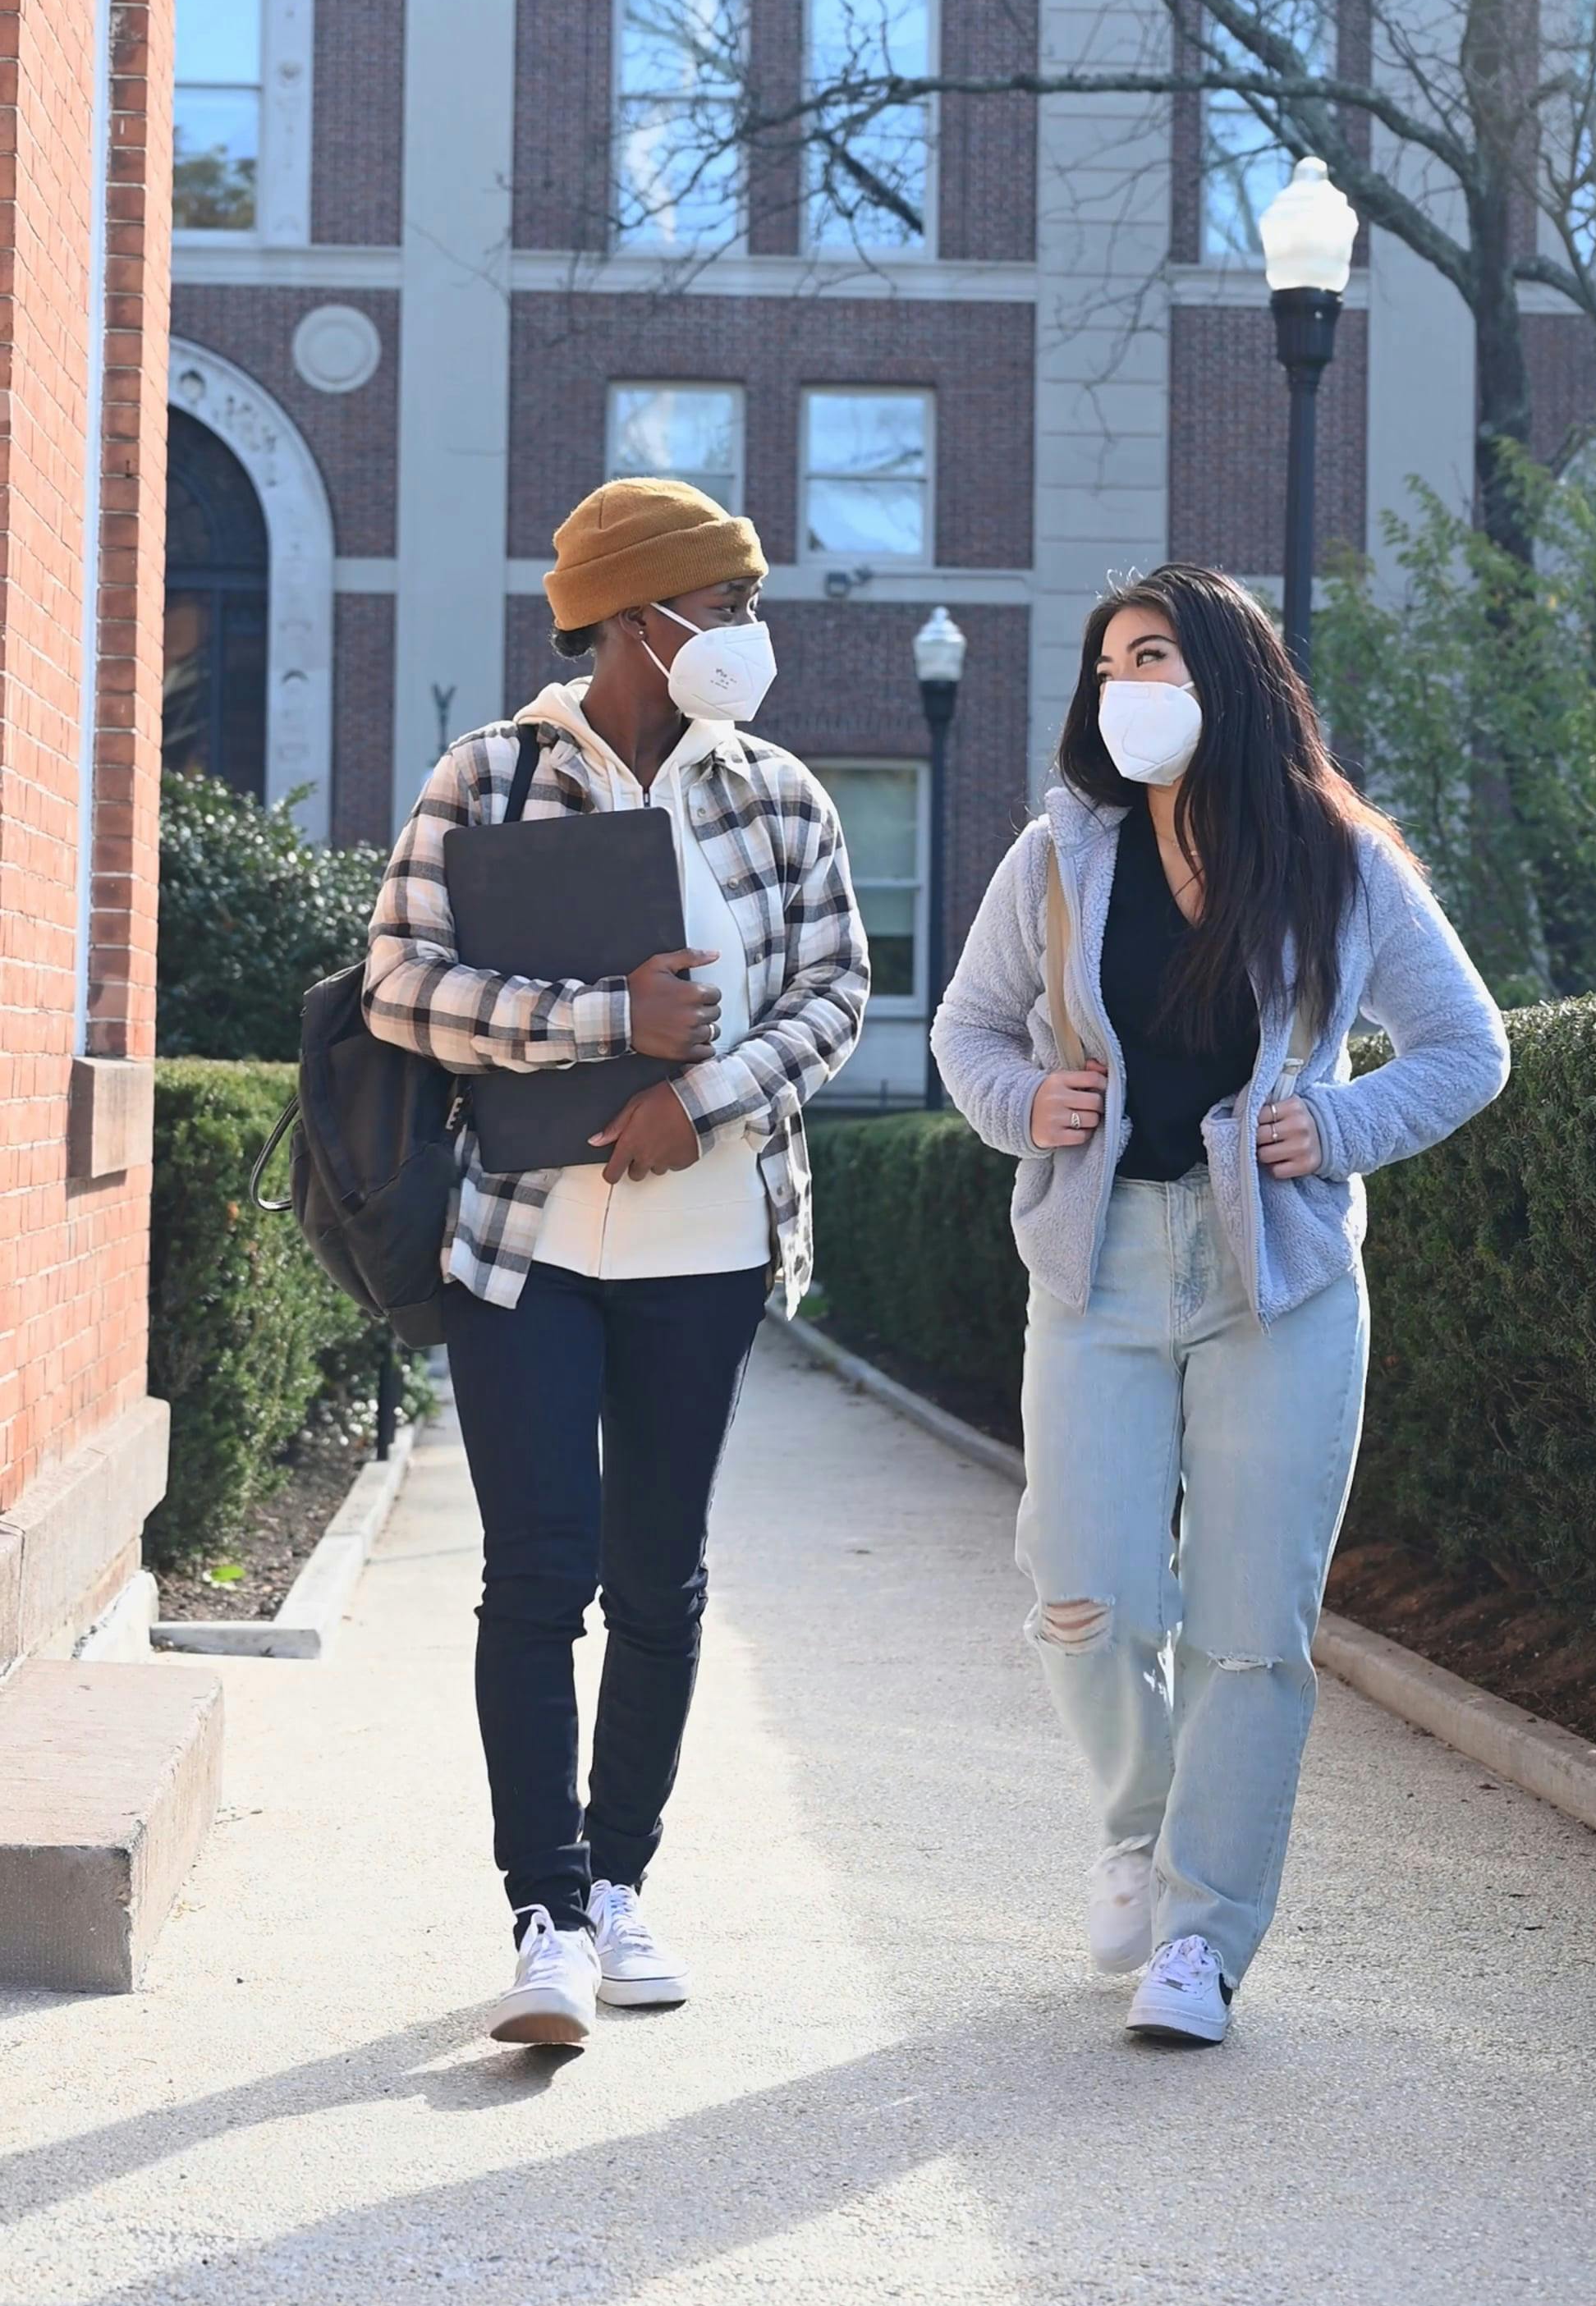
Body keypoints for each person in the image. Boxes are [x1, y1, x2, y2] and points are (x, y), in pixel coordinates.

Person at [931, 565, 1507, 2047]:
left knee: (1253, 1631)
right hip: (1099, 1269)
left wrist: (1341, 1124)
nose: (1125, 687)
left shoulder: (1339, 860)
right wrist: (1025, 1102)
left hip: (1282, 1286)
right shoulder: (1058, 857)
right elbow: (968, 1028)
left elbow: (1466, 1045)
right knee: (1085, 1591)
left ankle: (1202, 1941)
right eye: (1109, 664)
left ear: (1228, 680)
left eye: (1155, 657)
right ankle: (1138, 1830)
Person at [365, 477, 867, 2046]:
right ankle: (547, 1914)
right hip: (520, 1245)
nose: (748, 634)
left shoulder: (781, 792)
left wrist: (693, 1098)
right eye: (726, 606)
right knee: (539, 1572)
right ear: (637, 620)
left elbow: (837, 996)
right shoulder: (489, 775)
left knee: (659, 1576)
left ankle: (621, 1883)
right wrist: (603, 1026)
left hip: (707, 1243)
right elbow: (397, 983)